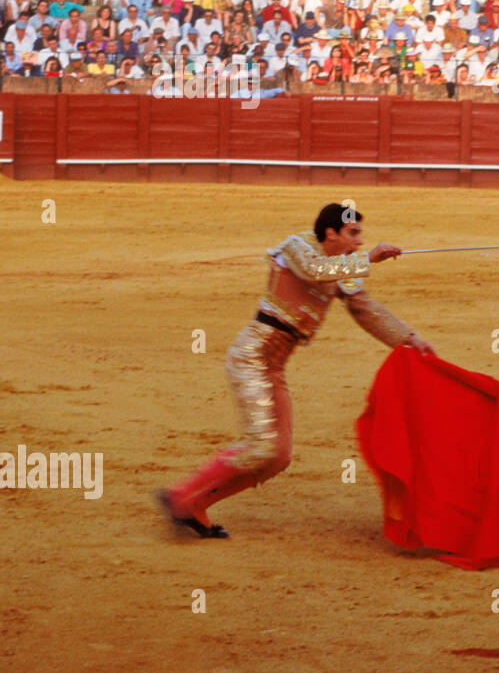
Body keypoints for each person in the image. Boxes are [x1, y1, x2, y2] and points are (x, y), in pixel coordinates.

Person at [158, 203, 436, 538]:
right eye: (353, 233)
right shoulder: (298, 246)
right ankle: (178, 495)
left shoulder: (343, 268)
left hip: (274, 365)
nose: (359, 241)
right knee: (261, 445)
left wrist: (409, 339)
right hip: (251, 356)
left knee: (278, 458)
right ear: (331, 232)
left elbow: (366, 311)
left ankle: (195, 504)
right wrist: (369, 259)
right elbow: (314, 269)